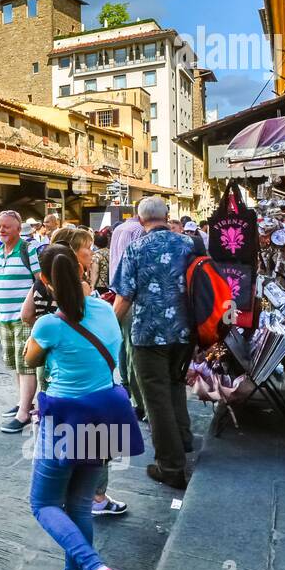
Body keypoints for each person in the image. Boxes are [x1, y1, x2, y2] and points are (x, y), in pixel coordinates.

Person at [24, 243, 126, 570]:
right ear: (82, 274)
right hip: (104, 413)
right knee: (80, 504)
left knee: (44, 503)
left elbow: (29, 359)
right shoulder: (103, 309)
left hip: (66, 419)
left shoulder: (49, 323)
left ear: (46, 281)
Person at [112, 196, 195, 489]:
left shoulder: (136, 249)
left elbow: (124, 295)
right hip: (185, 332)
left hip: (148, 335)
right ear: (167, 215)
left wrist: (109, 327)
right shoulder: (188, 244)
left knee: (156, 400)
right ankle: (184, 439)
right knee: (175, 386)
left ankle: (171, 466)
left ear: (140, 218)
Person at [0, 210, 40, 434]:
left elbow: (40, 282)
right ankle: (24, 402)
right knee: (15, 365)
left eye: (6, 226)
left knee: (26, 365)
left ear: (18, 230)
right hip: (4, 317)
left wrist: (32, 311)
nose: (1, 229)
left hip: (24, 318)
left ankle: (24, 414)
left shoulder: (29, 250)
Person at [109, 213, 146, 418]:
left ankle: (126, 389)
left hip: (119, 294)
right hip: (131, 296)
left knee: (123, 346)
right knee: (133, 350)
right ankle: (138, 401)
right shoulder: (139, 231)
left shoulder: (119, 230)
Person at [90, 228, 112, 293]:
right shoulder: (111, 253)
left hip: (100, 285)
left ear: (95, 243)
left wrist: (92, 286)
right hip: (110, 284)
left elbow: (95, 272)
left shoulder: (96, 255)